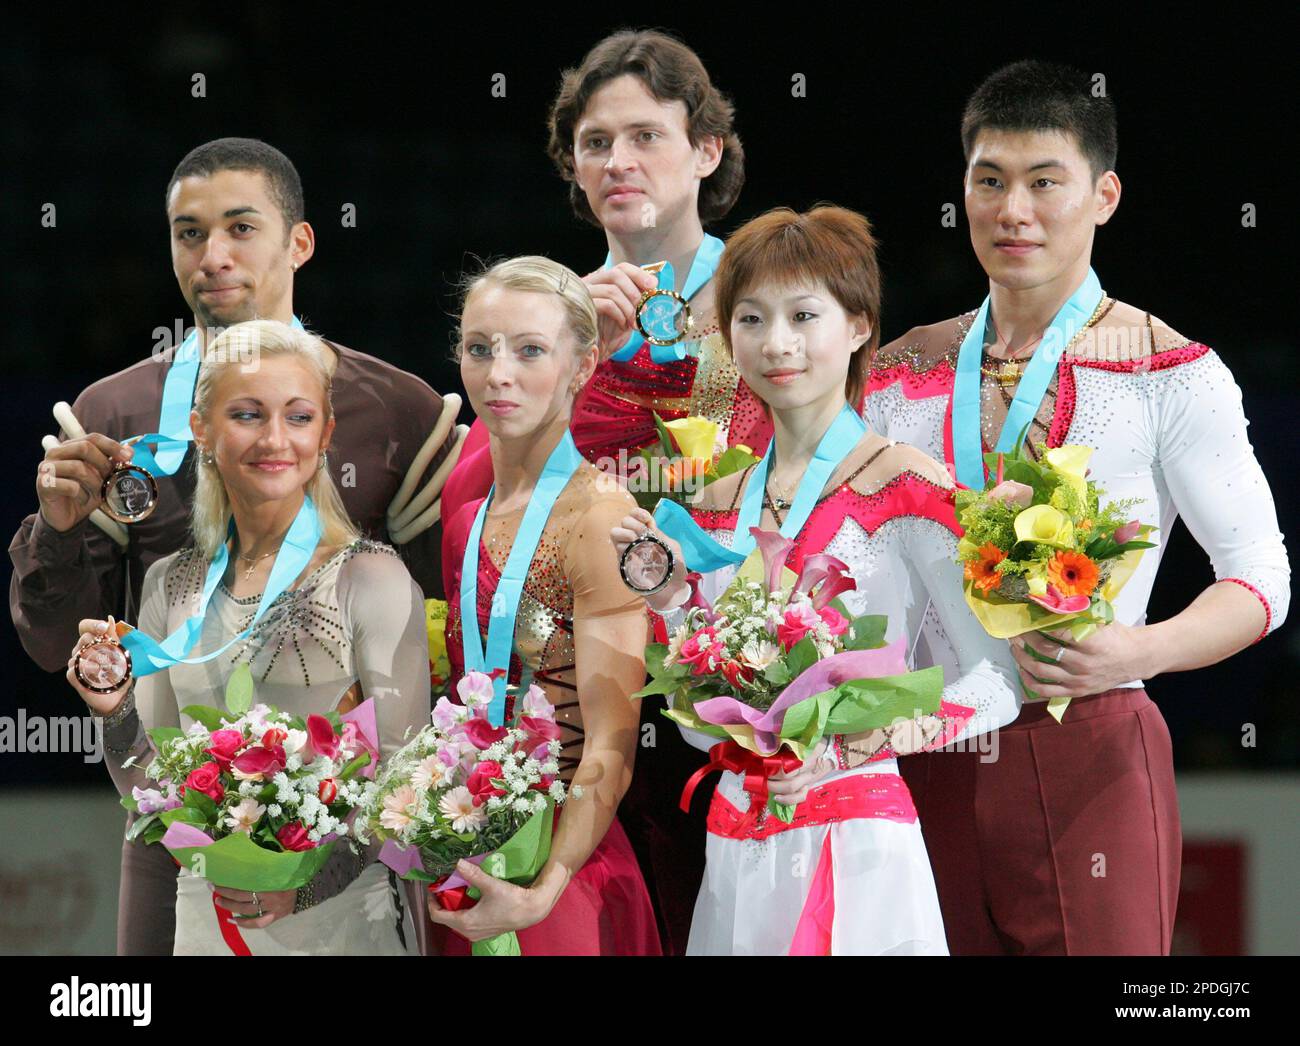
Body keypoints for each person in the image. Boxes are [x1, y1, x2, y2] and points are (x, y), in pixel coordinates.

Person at [863, 60, 1291, 955]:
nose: (1013, 209)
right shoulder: (899, 371)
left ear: (1104, 195)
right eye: (989, 181)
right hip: (920, 749)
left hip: (1087, 743)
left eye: (1043, 182)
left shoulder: (1169, 370)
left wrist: (1136, 651)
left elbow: (1260, 579)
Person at [10, 137, 461, 955]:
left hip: (346, 846)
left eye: (240, 228)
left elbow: (443, 646)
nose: (212, 256)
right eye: (189, 233)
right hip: (171, 832)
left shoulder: (395, 409)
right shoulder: (115, 415)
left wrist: (335, 852)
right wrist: (56, 532)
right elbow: (56, 647)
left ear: (300, 242)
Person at [612, 206, 1021, 955]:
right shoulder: (713, 500)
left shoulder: (907, 484)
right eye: (752, 318)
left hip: (860, 841)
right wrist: (668, 603)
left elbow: (1000, 680)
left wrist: (868, 740)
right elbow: (698, 723)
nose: (777, 343)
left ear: (860, 325)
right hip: (737, 836)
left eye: (804, 315)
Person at [442, 30, 768, 953]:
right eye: (594, 143)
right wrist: (573, 356)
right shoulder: (543, 327)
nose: (618, 161)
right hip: (576, 701)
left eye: (645, 136)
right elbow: (475, 507)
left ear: (706, 150)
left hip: (730, 696)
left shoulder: (771, 305)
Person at [66, 320, 432, 955]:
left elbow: (406, 787)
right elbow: (150, 794)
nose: (274, 439)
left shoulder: (370, 578)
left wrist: (305, 892)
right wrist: (116, 709)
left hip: (345, 922)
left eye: (298, 417)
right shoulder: (168, 586)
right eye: (247, 414)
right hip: (209, 920)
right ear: (202, 430)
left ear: (326, 434)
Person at [431, 256, 660, 955]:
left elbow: (613, 744)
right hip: (475, 851)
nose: (498, 373)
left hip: (565, 874)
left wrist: (545, 887)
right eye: (479, 349)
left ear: (583, 363)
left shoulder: (601, 519)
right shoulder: (470, 515)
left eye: (529, 350)